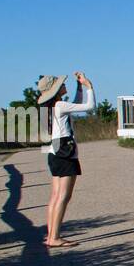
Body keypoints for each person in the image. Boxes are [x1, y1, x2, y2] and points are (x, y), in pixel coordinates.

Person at [36, 71, 95, 248]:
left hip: (54, 152)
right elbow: (89, 107)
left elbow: (75, 104)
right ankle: (54, 237)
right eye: (61, 84)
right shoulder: (60, 105)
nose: (63, 85)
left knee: (55, 196)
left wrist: (79, 87)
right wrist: (89, 86)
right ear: (55, 90)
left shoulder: (52, 107)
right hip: (65, 152)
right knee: (63, 196)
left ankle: (51, 235)